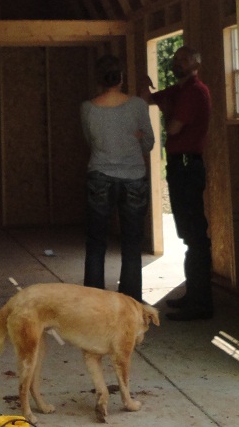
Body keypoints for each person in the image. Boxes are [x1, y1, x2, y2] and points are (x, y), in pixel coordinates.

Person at [142, 45, 214, 321]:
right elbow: (147, 99)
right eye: (175, 59)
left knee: (195, 234)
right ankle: (193, 295)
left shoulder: (194, 92)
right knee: (187, 233)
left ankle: (201, 302)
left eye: (184, 59)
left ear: (196, 64)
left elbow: (173, 128)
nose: (177, 62)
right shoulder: (178, 91)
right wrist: (146, 88)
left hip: (186, 166)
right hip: (179, 165)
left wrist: (166, 108)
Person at [80, 54, 155, 302]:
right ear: (121, 78)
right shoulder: (138, 106)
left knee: (96, 243)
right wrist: (133, 138)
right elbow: (149, 143)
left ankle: (94, 305)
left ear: (99, 80)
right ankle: (130, 305)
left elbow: (90, 142)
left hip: (99, 177)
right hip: (134, 178)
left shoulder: (88, 108)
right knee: (132, 245)